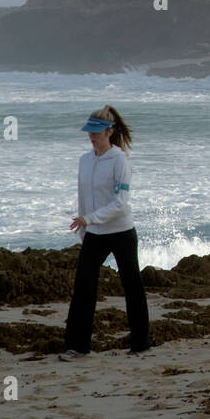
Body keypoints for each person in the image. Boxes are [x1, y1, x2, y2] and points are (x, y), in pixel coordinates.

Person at [60, 105, 151, 360]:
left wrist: (90, 218)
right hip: (95, 233)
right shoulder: (85, 161)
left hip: (121, 231)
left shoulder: (120, 161)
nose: (92, 136)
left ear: (109, 132)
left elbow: (121, 203)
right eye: (90, 131)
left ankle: (141, 343)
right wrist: (85, 229)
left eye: (97, 131)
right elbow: (83, 198)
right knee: (84, 286)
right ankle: (77, 346)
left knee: (132, 285)